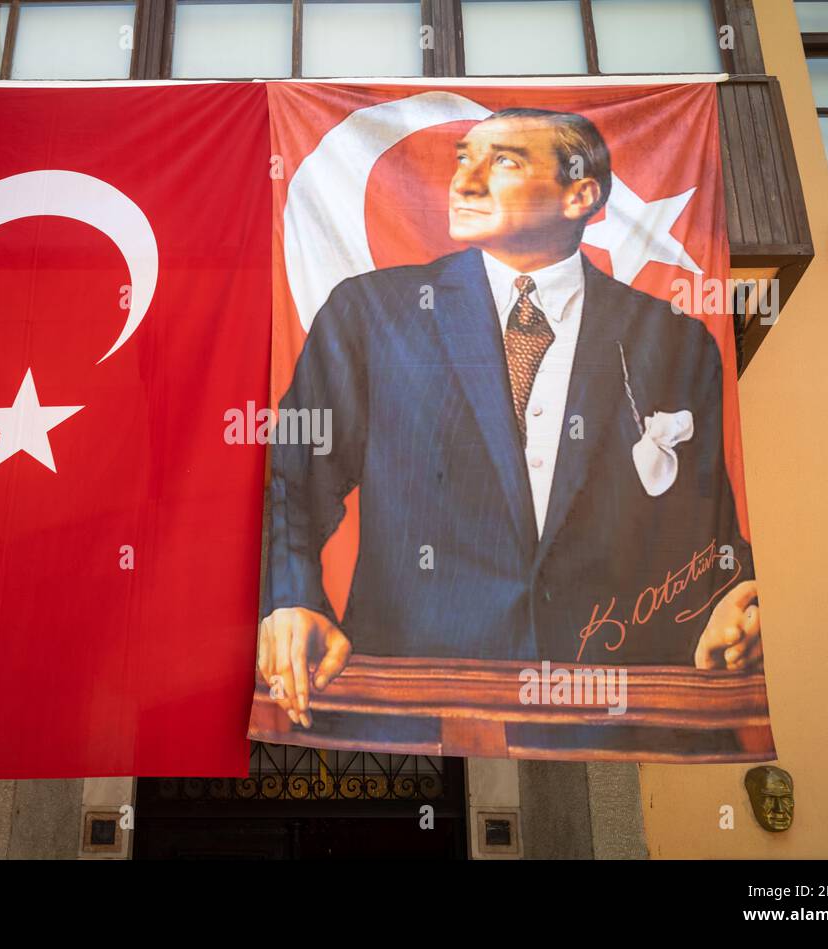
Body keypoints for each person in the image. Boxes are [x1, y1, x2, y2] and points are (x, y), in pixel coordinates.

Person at [258, 108, 762, 732]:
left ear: (581, 193)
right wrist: (289, 598)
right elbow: (290, 482)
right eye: (463, 158)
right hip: (410, 703)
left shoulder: (676, 341)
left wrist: (724, 607)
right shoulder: (370, 314)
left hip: (615, 705)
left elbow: (703, 529)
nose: (464, 182)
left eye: (503, 161)